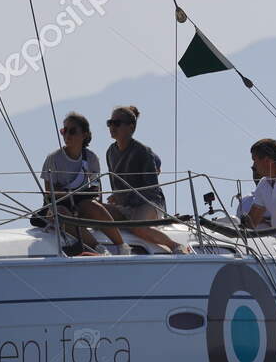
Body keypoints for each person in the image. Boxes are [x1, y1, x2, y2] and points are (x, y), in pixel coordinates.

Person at [103, 105, 186, 253]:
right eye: (110, 123)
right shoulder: (110, 152)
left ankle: (175, 246)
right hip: (126, 206)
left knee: (138, 227)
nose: (112, 127)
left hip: (149, 202)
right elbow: (116, 185)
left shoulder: (143, 152)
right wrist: (118, 197)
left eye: (117, 123)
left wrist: (125, 197)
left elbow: (151, 190)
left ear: (131, 127)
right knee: (97, 213)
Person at [41, 112, 125, 254]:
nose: (67, 135)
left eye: (72, 131)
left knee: (94, 206)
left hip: (80, 205)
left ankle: (123, 247)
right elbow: (49, 194)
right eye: (64, 131)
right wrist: (72, 194)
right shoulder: (53, 159)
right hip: (58, 206)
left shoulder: (91, 159)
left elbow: (96, 191)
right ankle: (99, 248)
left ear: (84, 135)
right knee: (60, 212)